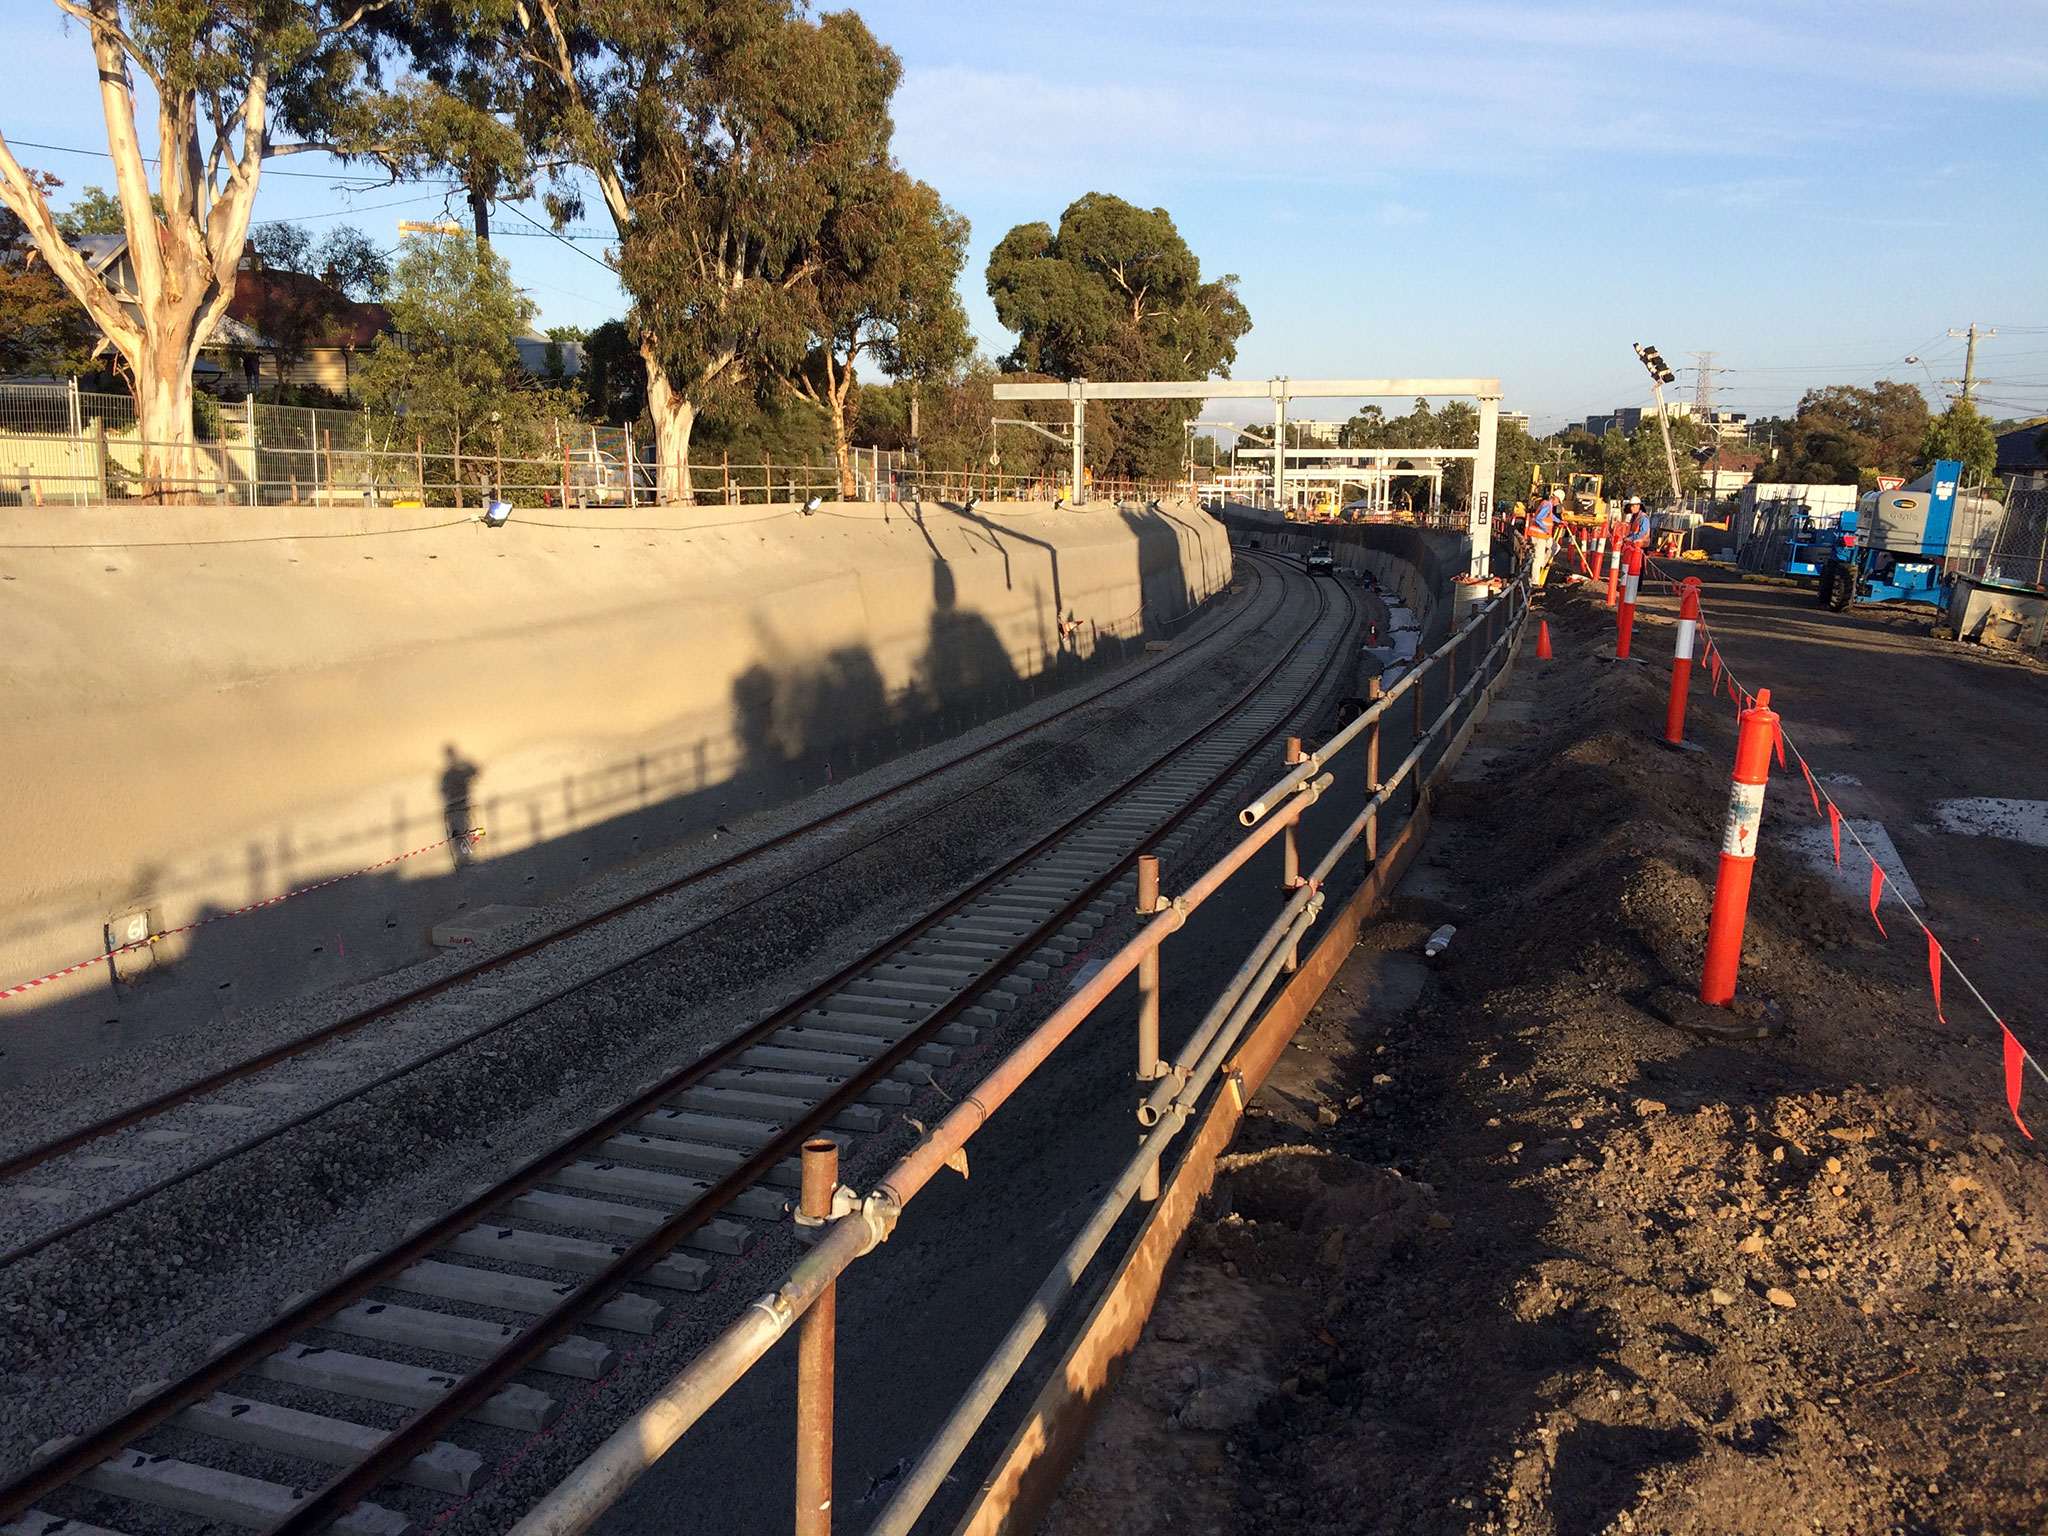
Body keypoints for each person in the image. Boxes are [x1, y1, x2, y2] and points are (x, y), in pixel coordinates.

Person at [1526, 493, 1561, 587]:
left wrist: (1559, 521)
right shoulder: (1546, 506)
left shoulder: (1548, 506)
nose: (1559, 504)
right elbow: (1538, 519)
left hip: (1544, 535)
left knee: (1555, 547)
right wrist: (1545, 529)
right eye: (1559, 501)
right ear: (1555, 498)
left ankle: (1543, 563)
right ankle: (1534, 582)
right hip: (1539, 535)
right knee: (1538, 558)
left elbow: (1550, 517)